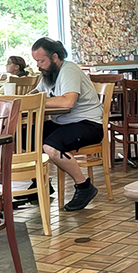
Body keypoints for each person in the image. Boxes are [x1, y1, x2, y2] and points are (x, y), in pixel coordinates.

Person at [31, 37, 103, 211]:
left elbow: (68, 102)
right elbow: (36, 93)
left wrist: (34, 101)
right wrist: (26, 98)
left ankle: (84, 186)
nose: (38, 65)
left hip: (88, 123)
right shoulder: (48, 74)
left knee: (51, 147)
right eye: (36, 61)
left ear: (55, 57)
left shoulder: (68, 70)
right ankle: (40, 184)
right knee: (25, 137)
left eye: (41, 61)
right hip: (63, 123)